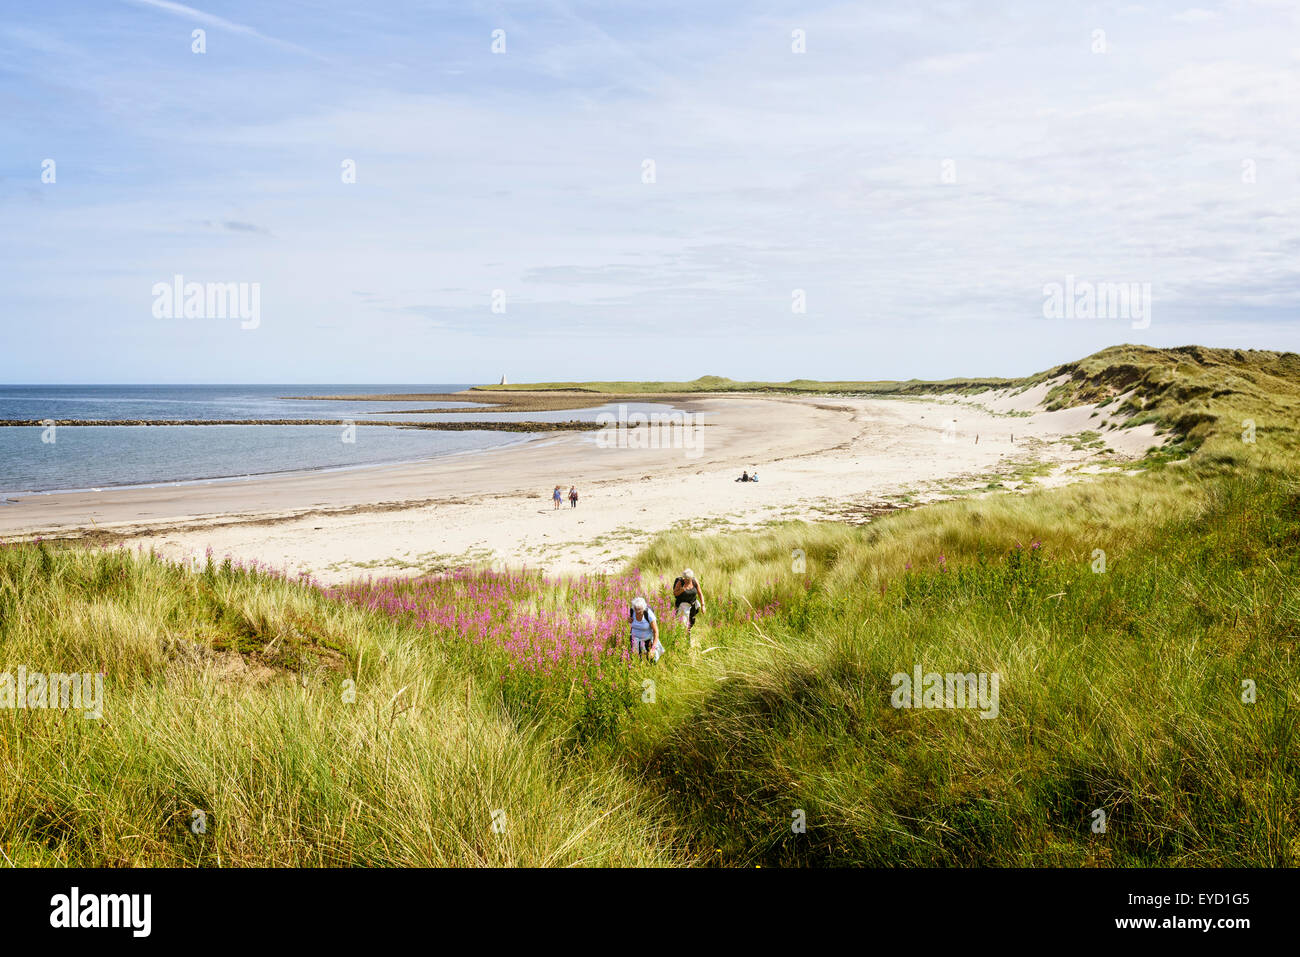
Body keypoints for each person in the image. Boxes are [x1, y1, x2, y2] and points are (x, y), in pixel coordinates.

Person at [672, 567, 704, 639]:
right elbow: (675, 593)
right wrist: (682, 590)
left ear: (691, 578)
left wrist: (703, 605)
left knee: (690, 624)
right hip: (682, 606)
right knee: (683, 625)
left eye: (687, 579)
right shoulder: (680, 582)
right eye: (684, 578)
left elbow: (700, 593)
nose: (685, 580)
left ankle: (686, 641)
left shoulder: (694, 581)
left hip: (692, 606)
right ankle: (682, 641)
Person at [629, 596, 660, 661]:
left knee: (650, 661)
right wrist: (629, 620)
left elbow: (655, 631)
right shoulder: (632, 611)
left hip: (647, 642)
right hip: (635, 641)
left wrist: (653, 648)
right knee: (636, 660)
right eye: (635, 610)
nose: (637, 612)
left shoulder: (649, 614)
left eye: (639, 610)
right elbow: (632, 622)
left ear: (643, 608)